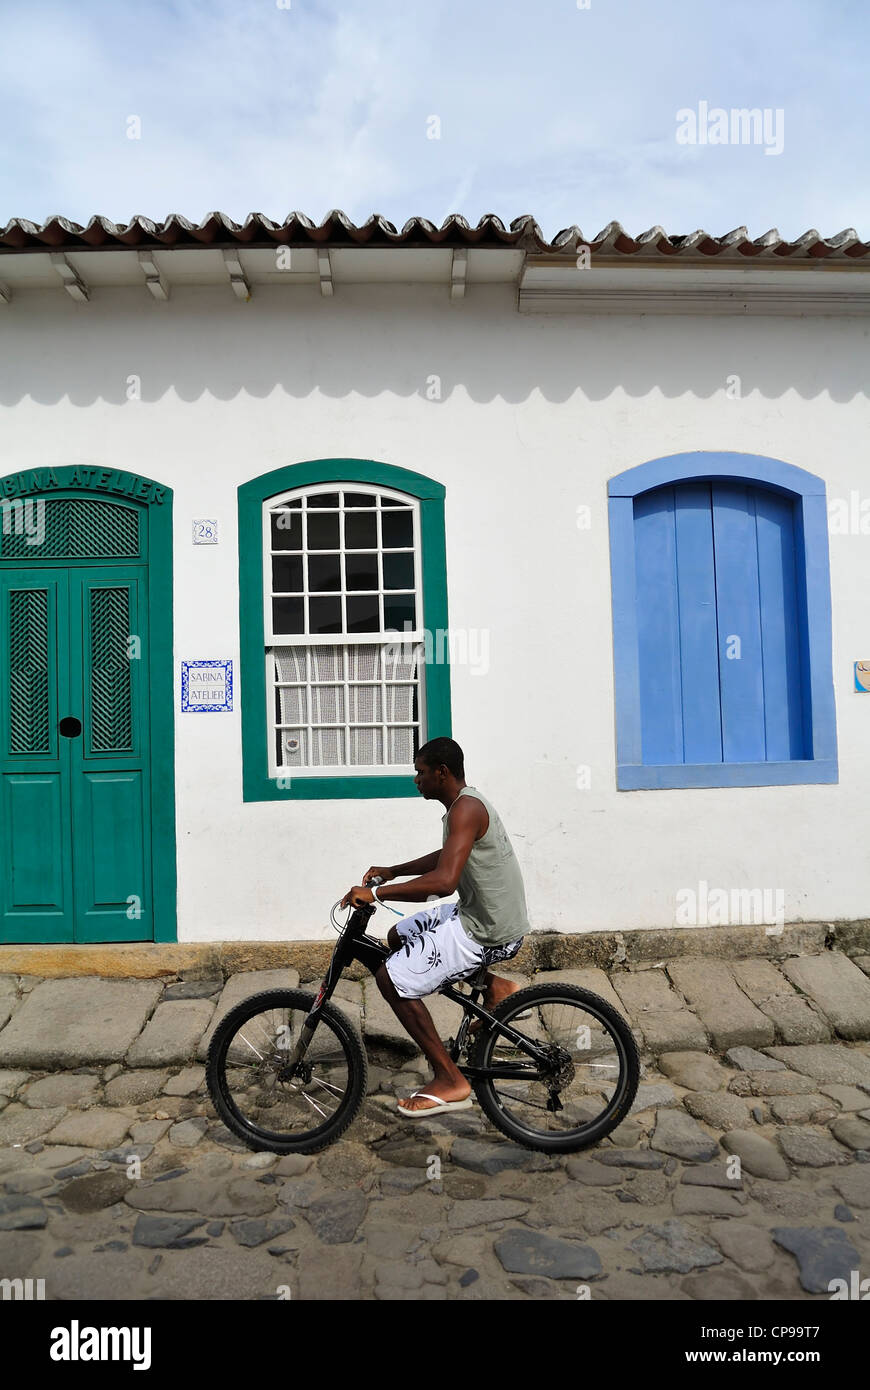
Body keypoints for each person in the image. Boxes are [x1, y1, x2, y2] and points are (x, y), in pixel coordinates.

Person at [340, 737, 531, 1115]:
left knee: (390, 980)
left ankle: (450, 1079)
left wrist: (378, 895)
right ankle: (497, 988)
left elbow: (444, 881)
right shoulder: (464, 806)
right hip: (480, 914)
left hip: (487, 928)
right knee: (397, 936)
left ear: (442, 773)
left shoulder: (466, 810)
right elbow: (447, 856)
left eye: (421, 772)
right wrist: (393, 870)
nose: (416, 780)